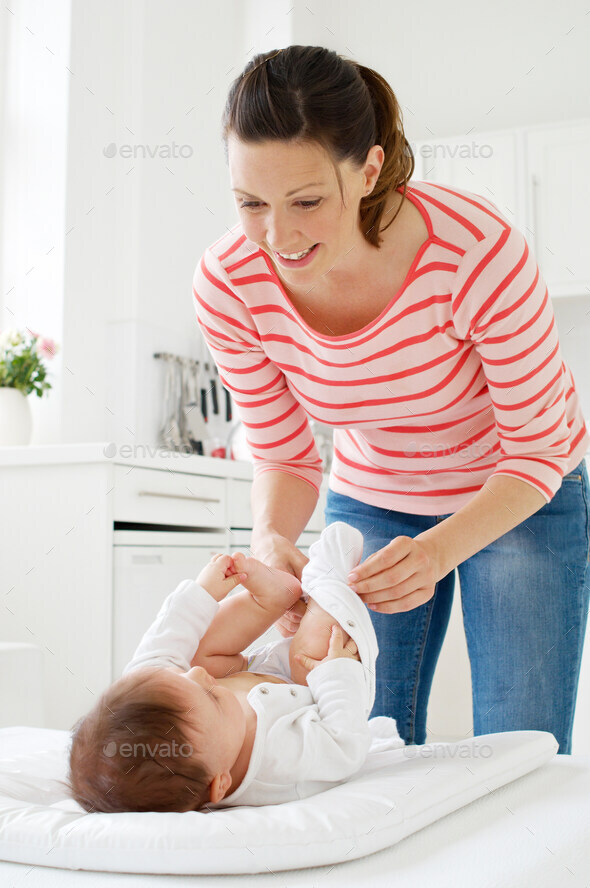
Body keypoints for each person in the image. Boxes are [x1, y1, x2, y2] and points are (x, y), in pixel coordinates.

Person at [191, 44, 590, 755]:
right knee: (362, 736)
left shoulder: (479, 254)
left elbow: (536, 451)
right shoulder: (228, 285)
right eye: (251, 203)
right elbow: (283, 454)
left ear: (368, 169)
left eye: (307, 201)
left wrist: (437, 552)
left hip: (520, 492)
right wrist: (270, 544)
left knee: (519, 748)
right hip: (374, 491)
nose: (277, 237)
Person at [68, 522, 402, 813]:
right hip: (318, 684)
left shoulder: (177, 709)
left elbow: (161, 646)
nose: (198, 676)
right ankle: (330, 580)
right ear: (220, 784)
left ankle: (270, 599)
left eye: (186, 682)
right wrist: (337, 674)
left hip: (251, 669)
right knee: (320, 641)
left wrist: (202, 593)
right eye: (211, 697)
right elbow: (344, 746)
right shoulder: (278, 762)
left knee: (193, 652)